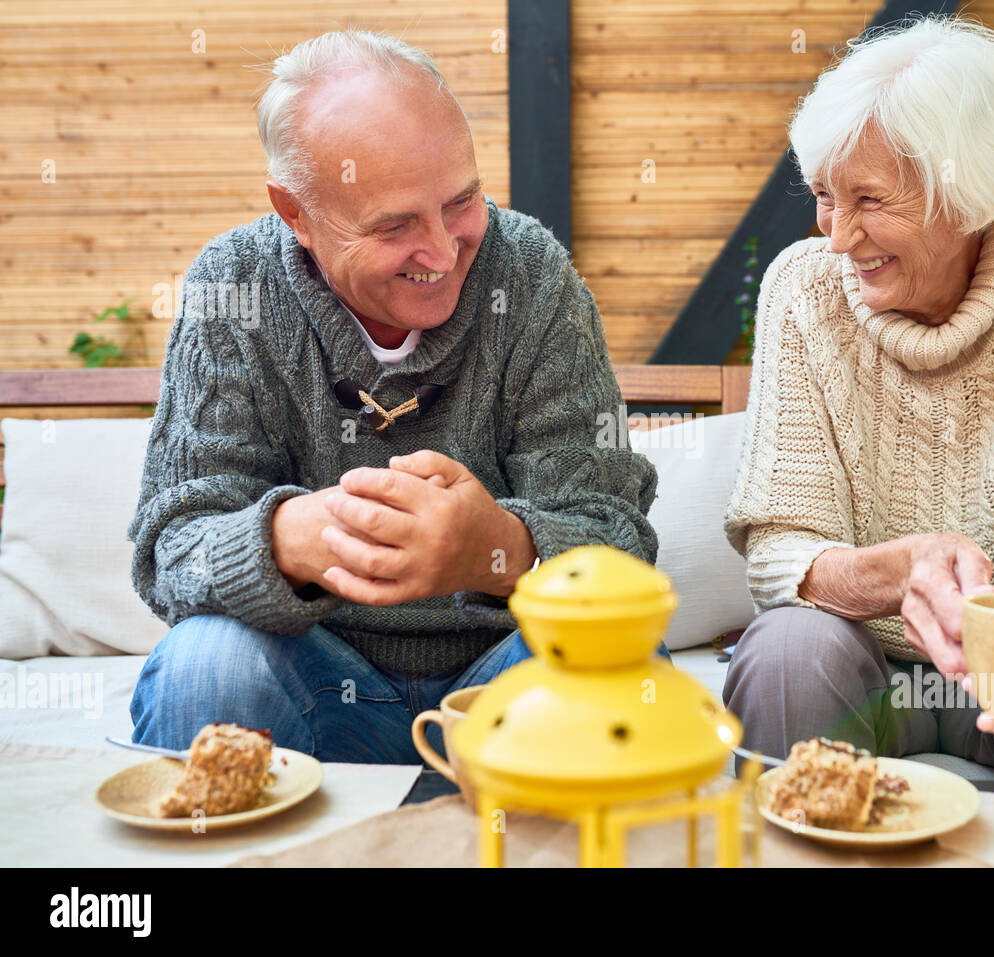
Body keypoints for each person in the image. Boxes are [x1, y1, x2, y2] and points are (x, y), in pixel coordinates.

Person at [127, 30, 658, 776]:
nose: (442, 252)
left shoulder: (533, 274)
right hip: (308, 687)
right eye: (394, 224)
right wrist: (285, 540)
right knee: (204, 665)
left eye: (461, 200)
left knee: (619, 661)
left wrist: (500, 548)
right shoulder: (232, 286)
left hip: (503, 697)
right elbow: (170, 552)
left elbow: (622, 548)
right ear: (296, 213)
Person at [723, 15, 994, 782]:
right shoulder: (801, 289)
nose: (837, 236)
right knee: (788, 653)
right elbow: (782, 551)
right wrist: (898, 572)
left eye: (870, 199)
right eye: (828, 195)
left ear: (965, 193)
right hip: (851, 662)